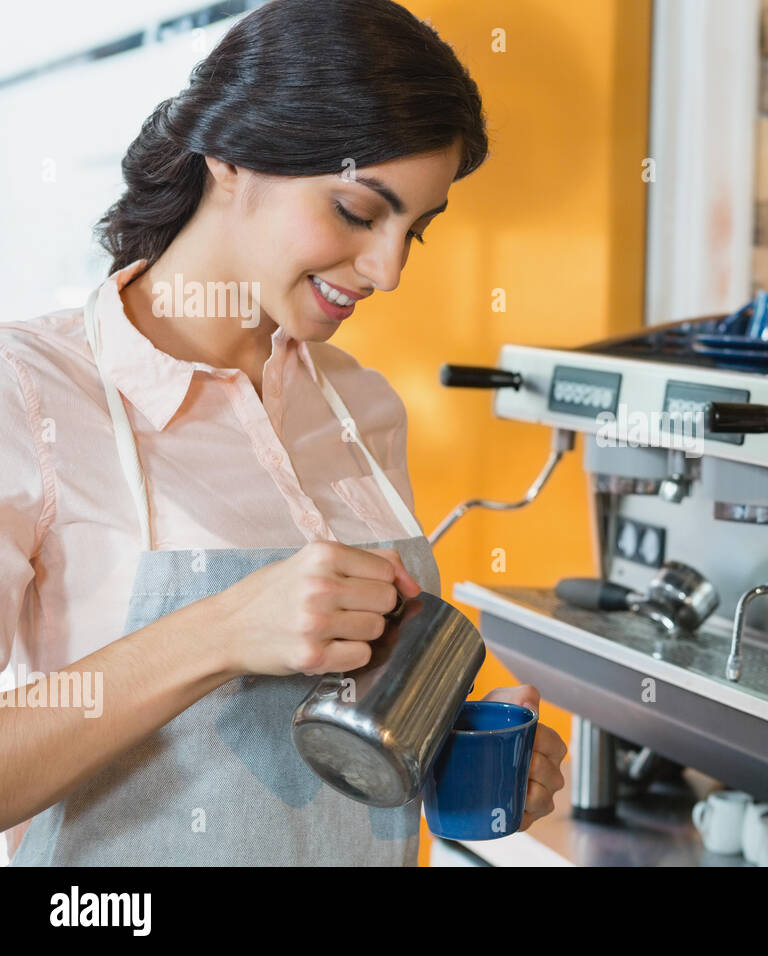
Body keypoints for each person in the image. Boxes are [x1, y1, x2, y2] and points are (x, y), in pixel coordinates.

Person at [0, 0, 565, 866]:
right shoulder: (31, 392)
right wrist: (219, 631)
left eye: (414, 229)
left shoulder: (361, 406)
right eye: (354, 211)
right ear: (230, 156)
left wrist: (436, 751)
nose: (389, 270)